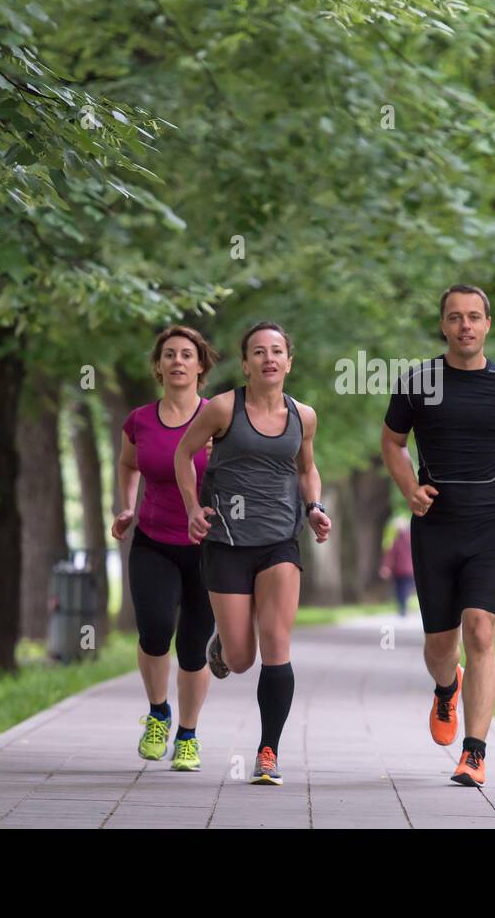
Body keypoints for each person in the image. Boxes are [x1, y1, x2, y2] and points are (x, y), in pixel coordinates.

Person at [380, 284, 495, 787]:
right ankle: (446, 687)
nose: (465, 325)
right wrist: (410, 489)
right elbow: (391, 441)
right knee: (440, 647)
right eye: (455, 317)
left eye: (474, 316)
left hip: (488, 525)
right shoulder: (417, 382)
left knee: (481, 631)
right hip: (434, 528)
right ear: (443, 325)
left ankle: (474, 753)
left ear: (488, 323)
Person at [175, 322, 331, 786]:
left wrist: (315, 507)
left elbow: (307, 467)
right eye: (258, 352)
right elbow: (184, 455)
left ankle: (268, 753)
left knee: (277, 644)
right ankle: (225, 642)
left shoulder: (304, 415)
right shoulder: (223, 408)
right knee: (242, 658)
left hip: (281, 540)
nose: (268, 358)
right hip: (225, 542)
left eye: (277, 351)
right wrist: (192, 509)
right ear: (245, 363)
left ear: (288, 361)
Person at [112, 325, 219, 771]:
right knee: (155, 631)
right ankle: (158, 713)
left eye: (186, 355)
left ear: (200, 366)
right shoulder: (140, 420)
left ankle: (188, 736)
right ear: (158, 366)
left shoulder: (222, 417)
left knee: (194, 646)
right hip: (154, 541)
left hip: (208, 547)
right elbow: (126, 463)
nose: (177, 361)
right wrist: (124, 507)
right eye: (169, 354)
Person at [379, 518, 415, 616]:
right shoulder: (413, 541)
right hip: (410, 570)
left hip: (399, 571)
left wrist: (386, 567)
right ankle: (403, 607)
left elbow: (390, 556)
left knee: (400, 589)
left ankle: (402, 608)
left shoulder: (396, 542)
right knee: (405, 589)